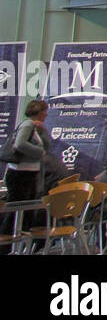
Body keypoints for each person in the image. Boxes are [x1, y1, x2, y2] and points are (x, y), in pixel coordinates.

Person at [2, 99, 51, 245]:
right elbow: (20, 144)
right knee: (14, 213)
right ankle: (6, 247)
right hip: (20, 175)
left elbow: (47, 147)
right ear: (39, 111)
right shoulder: (27, 124)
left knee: (27, 213)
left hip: (30, 173)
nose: (46, 115)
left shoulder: (37, 127)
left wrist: (44, 131)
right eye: (44, 111)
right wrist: (39, 153)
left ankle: (21, 247)